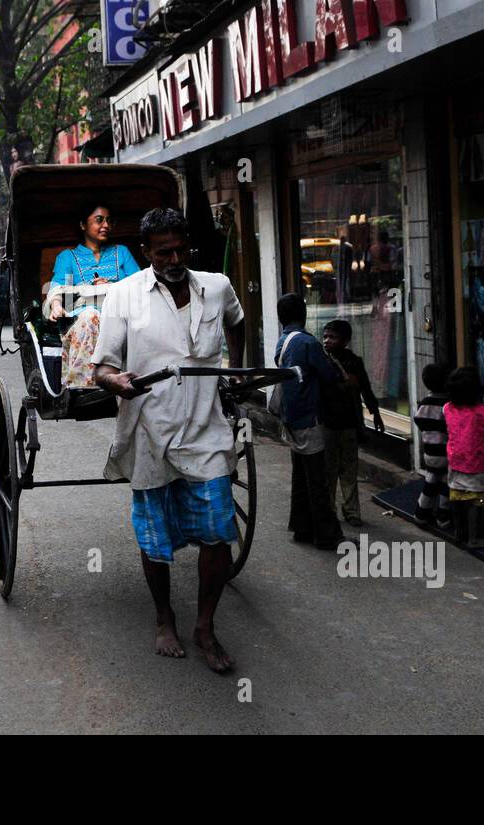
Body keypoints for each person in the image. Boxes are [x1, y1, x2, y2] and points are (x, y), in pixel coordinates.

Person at [93, 207, 245, 673]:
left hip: (206, 429)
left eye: (181, 248)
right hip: (151, 431)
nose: (175, 258)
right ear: (146, 252)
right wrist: (113, 382)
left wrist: (232, 374)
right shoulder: (123, 297)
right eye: (164, 252)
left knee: (219, 532)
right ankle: (164, 618)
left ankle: (205, 624)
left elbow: (238, 323)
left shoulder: (216, 286)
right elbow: (102, 367)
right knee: (154, 537)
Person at [274, 293, 347, 549]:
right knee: (318, 479)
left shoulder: (282, 342)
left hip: (290, 417)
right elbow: (327, 375)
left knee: (301, 476)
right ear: (303, 315)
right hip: (310, 415)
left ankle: (302, 526)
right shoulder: (307, 342)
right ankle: (326, 534)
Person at [45, 201, 139, 387]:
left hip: (121, 314)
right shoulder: (68, 257)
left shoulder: (122, 252)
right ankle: (83, 385)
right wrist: (56, 306)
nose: (106, 225)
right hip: (82, 319)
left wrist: (112, 285)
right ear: (83, 225)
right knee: (91, 316)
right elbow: (57, 288)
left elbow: (139, 284)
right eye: (99, 220)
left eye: (109, 221)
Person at [320, 318, 384, 527]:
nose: (327, 340)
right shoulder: (321, 360)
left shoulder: (354, 362)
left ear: (345, 341)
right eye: (326, 336)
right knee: (328, 472)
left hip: (348, 424)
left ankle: (351, 511)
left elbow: (365, 388)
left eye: (333, 337)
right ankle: (328, 510)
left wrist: (375, 413)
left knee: (349, 470)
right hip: (327, 423)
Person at [443, 366, 484, 547]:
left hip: (455, 462)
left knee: (457, 496)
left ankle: (459, 533)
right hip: (479, 465)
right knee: (478, 499)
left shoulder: (447, 409)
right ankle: (474, 538)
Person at [414, 362, 452, 528]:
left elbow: (419, 421)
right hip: (446, 452)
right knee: (446, 482)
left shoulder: (424, 404)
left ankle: (421, 513)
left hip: (429, 453)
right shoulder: (448, 406)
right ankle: (443, 516)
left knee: (430, 481)